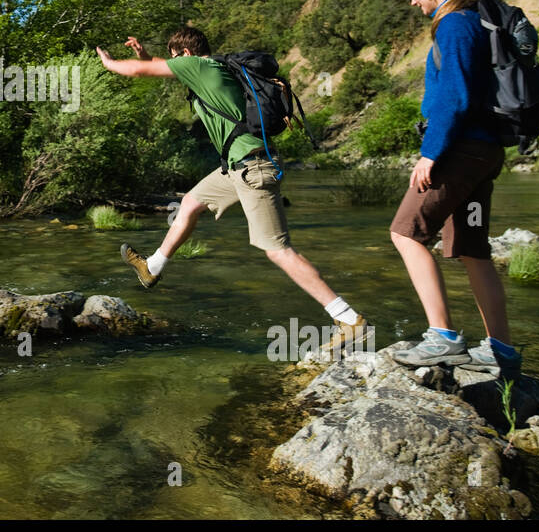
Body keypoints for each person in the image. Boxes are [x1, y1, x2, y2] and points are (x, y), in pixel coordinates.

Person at [95, 27, 368, 352]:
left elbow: (142, 71)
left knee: (278, 250)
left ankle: (348, 318)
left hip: (253, 168)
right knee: (192, 202)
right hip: (236, 167)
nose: (170, 63)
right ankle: (153, 267)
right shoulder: (212, 68)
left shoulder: (198, 66)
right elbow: (153, 65)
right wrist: (143, 54)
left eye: (172, 56)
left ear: (184, 54)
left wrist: (111, 63)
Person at [389, 0, 521, 375]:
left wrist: (430, 153)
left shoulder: (454, 24)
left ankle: (442, 337)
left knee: (406, 232)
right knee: (472, 249)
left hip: (459, 151)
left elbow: (455, 98)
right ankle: (501, 350)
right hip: (484, 151)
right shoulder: (475, 20)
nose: (413, 4)